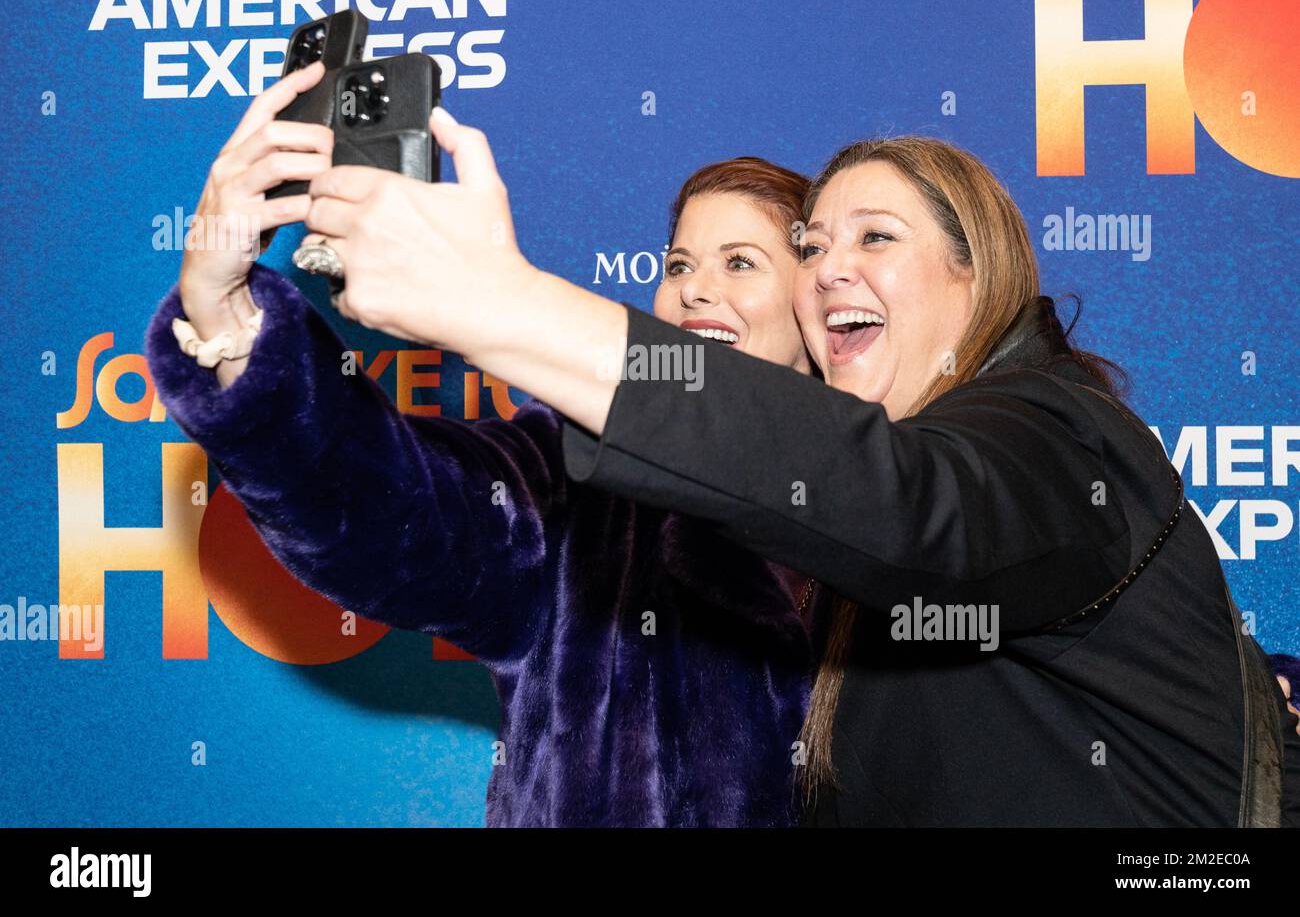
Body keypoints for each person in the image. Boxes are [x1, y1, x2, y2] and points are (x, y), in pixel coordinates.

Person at [298, 110, 1300, 826]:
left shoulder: (1052, 428)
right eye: (814, 245)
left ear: (976, 269)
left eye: (876, 238)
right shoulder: (812, 553)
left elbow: (911, 505)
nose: (829, 268)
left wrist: (498, 303)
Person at [143, 62, 823, 827]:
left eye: (740, 263)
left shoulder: (898, 498)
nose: (694, 289)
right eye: (678, 265)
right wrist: (225, 317)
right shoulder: (580, 479)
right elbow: (386, 506)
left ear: (816, 297)